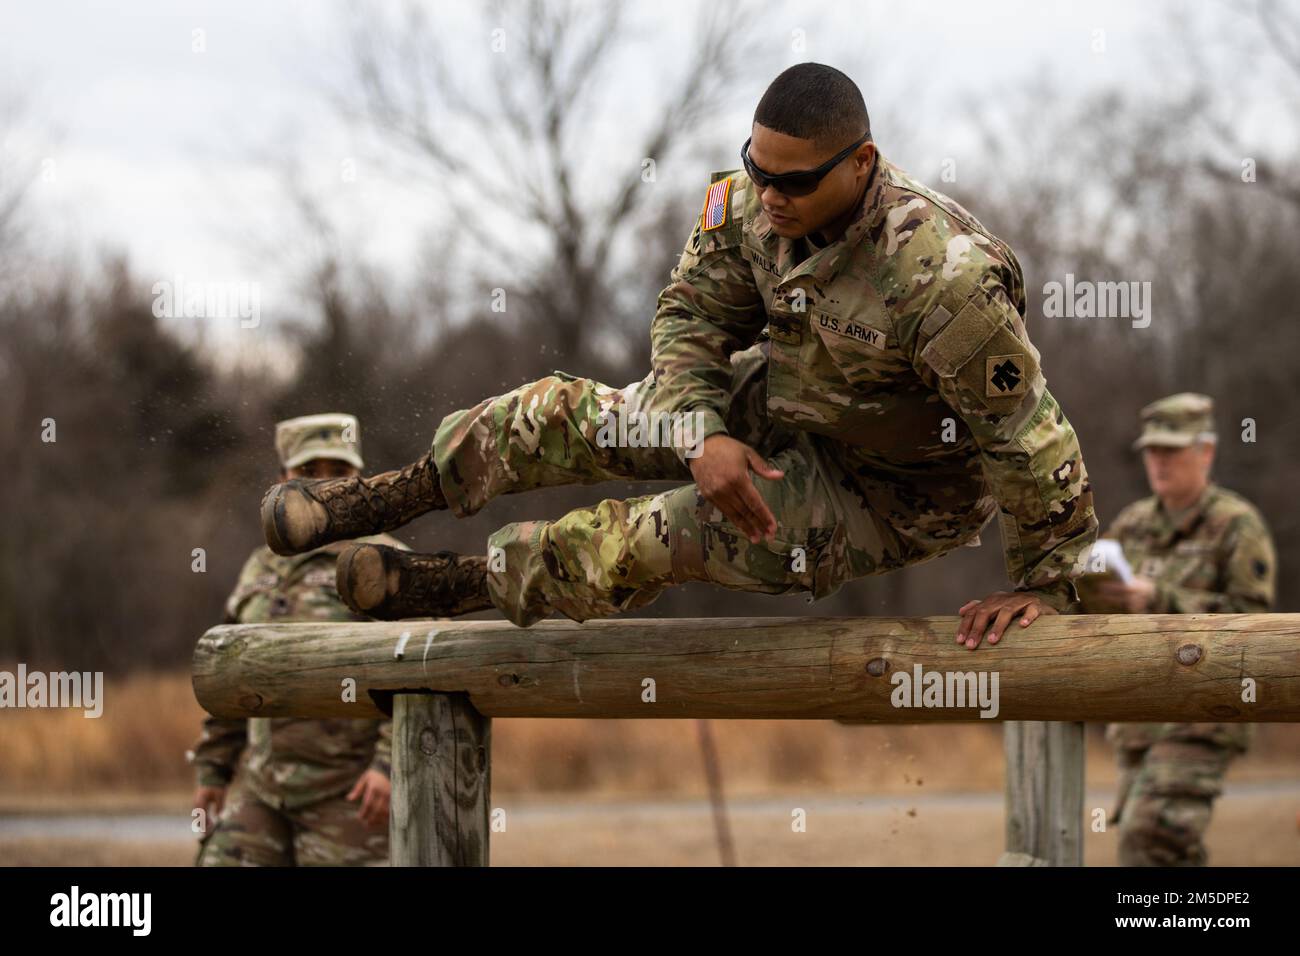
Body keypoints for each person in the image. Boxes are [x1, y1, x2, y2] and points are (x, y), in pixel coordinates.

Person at [258, 63, 1097, 648]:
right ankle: (386, 497)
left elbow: (1027, 435)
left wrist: (1048, 583)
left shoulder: (943, 277)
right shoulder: (744, 209)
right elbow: (689, 318)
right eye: (757, 169)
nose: (772, 197)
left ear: (863, 164)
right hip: (782, 399)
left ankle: (462, 582)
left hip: (892, 490)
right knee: (564, 413)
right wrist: (701, 435)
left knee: (653, 538)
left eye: (796, 182)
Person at [189, 413, 406, 866]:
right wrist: (213, 768)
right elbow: (229, 673)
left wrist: (389, 768)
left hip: (350, 792)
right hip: (264, 790)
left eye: (339, 472)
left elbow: (417, 672)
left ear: (359, 477)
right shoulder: (260, 566)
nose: (324, 485)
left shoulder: (384, 562)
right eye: (308, 473)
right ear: (282, 480)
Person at [1087, 393, 1276, 866]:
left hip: (1204, 714)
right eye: (1152, 450)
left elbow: (1256, 632)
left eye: (1171, 450)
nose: (1159, 461)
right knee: (1156, 850)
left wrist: (1158, 599)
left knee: (1152, 835)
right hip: (1139, 717)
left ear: (1206, 451)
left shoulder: (1236, 525)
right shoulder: (1131, 526)